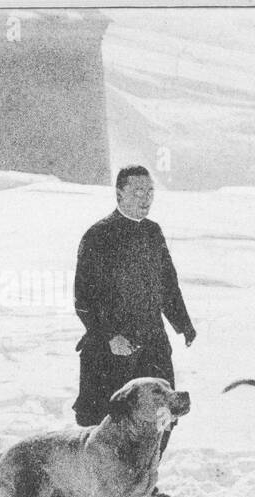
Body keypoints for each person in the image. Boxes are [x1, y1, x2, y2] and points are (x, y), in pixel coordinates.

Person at [72, 165, 196, 434]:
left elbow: (167, 283)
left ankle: (148, 473)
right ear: (119, 194)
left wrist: (183, 323)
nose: (146, 198)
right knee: (110, 426)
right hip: (113, 350)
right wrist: (109, 336)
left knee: (163, 418)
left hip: (152, 346)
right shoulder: (98, 236)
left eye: (150, 191)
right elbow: (83, 298)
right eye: (138, 191)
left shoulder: (153, 232)